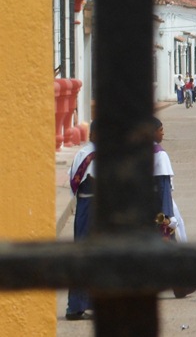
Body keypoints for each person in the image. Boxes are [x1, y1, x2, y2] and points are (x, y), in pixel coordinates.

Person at [151, 117, 196, 298]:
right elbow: (163, 187)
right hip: (159, 210)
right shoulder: (160, 155)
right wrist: (168, 217)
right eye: (160, 129)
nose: (163, 132)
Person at [65, 122, 97, 321]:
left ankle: (78, 305)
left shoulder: (81, 153)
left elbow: (72, 182)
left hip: (84, 207)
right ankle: (77, 305)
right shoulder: (94, 156)